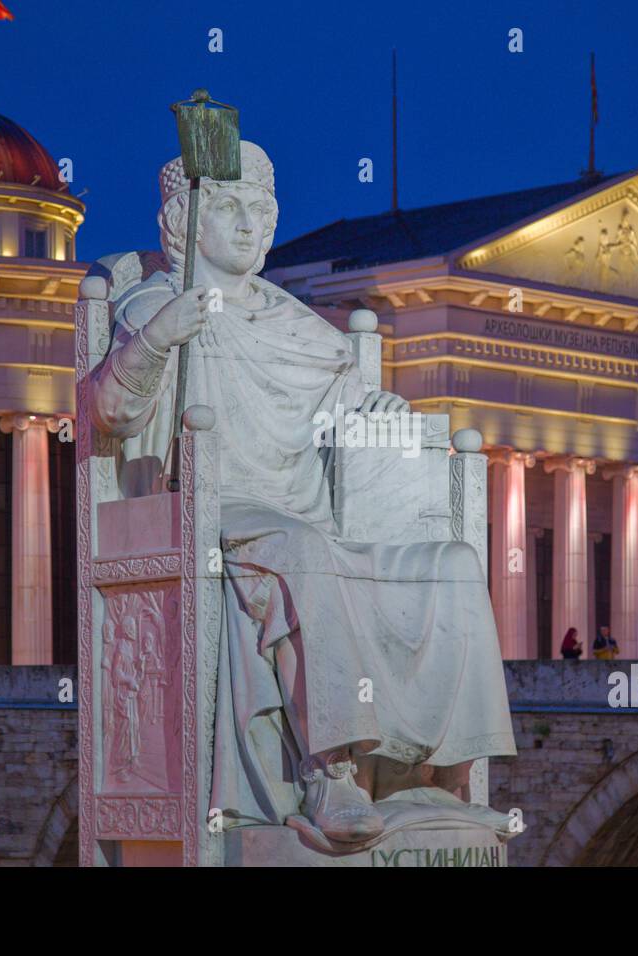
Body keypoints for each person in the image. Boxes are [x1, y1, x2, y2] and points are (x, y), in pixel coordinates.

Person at [90, 141, 516, 845]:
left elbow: (347, 411)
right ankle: (332, 770)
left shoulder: (298, 326)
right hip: (212, 511)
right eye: (229, 207)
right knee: (304, 550)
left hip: (316, 516)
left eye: (262, 209)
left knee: (452, 562)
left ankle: (446, 775)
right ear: (183, 221)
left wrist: (383, 419)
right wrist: (160, 339)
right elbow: (111, 415)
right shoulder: (154, 305)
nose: (250, 224)